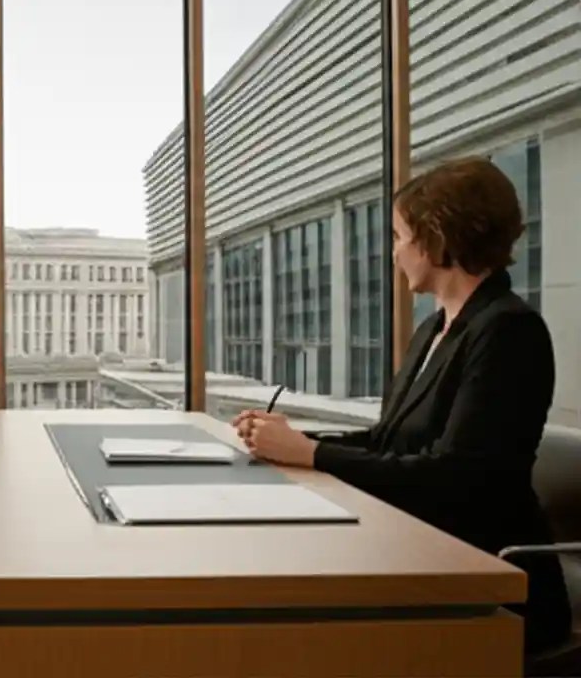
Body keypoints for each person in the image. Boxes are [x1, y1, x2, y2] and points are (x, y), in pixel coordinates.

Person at [232, 157, 571, 653]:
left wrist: (310, 454)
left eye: (398, 236)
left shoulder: (508, 331)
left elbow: (455, 477)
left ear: (436, 239)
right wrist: (292, 441)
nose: (394, 254)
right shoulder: (435, 328)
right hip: (425, 552)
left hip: (489, 582)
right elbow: (388, 441)